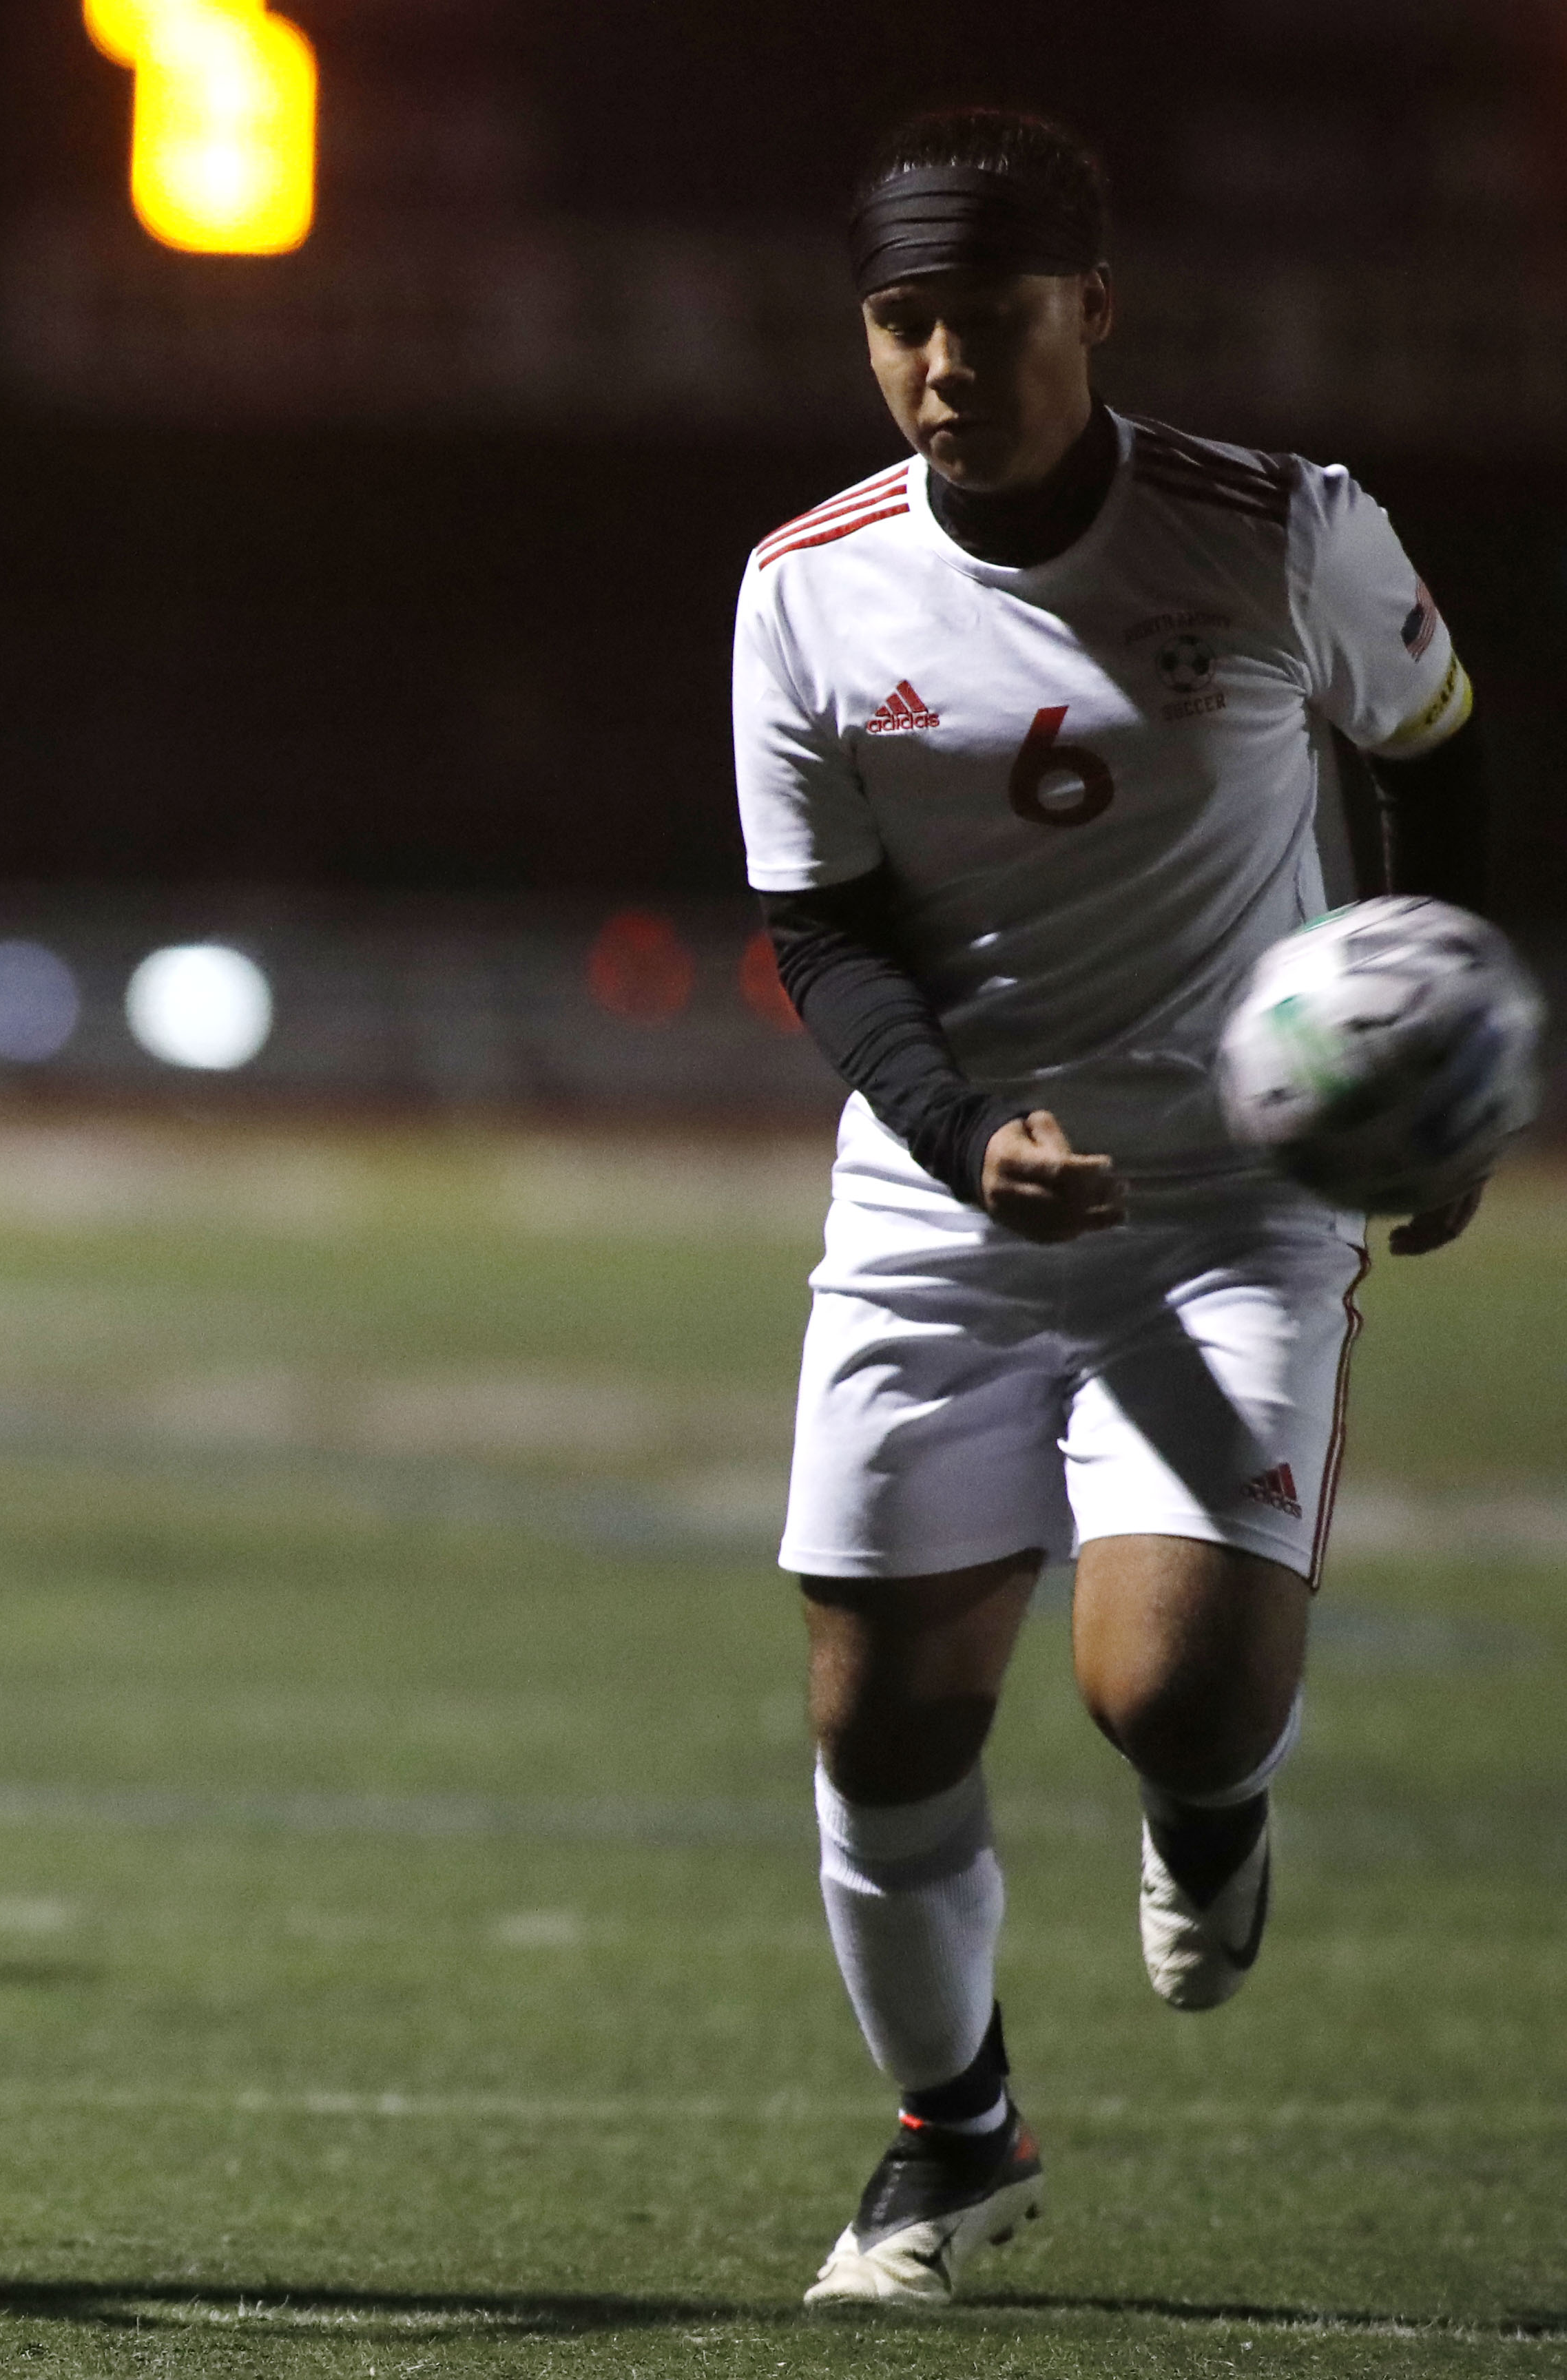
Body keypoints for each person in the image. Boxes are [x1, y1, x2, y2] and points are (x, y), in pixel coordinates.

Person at [735, 108, 1495, 2306]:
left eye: (985, 318)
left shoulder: (1275, 532)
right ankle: (950, 2145)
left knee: (1162, 1688)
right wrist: (957, 1130)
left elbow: (1433, 752)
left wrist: (1426, 1058)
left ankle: (1209, 1808)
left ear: (1090, 306)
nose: (941, 366)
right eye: (899, 324)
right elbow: (819, 928)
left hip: (1232, 1196)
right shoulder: (803, 587)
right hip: (943, 1198)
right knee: (878, 1722)